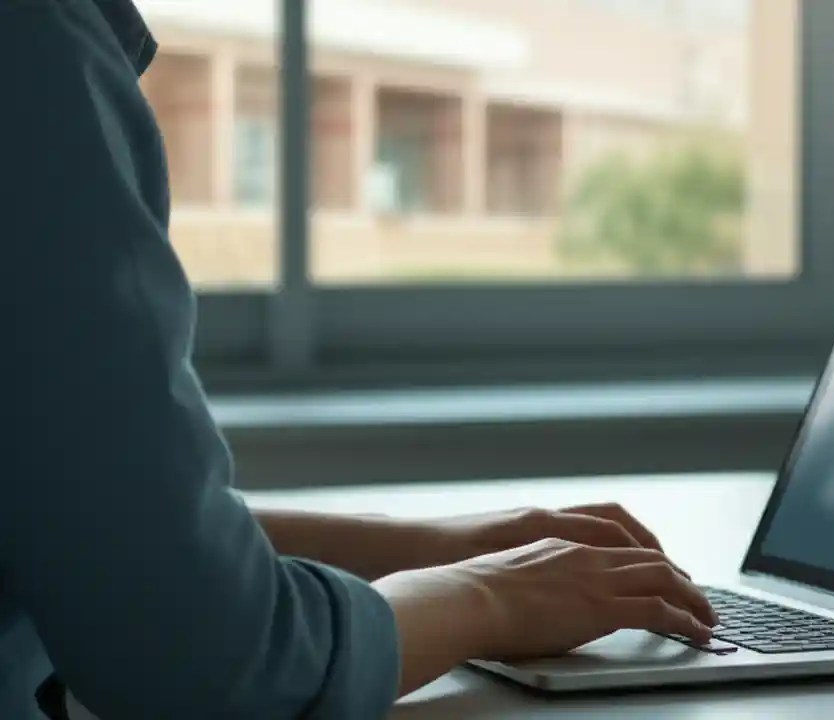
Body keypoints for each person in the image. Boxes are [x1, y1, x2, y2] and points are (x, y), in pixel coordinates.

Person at [0, 1, 716, 717]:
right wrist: (489, 594)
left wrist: (433, 546)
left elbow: (87, 529)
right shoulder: (34, 46)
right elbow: (210, 657)